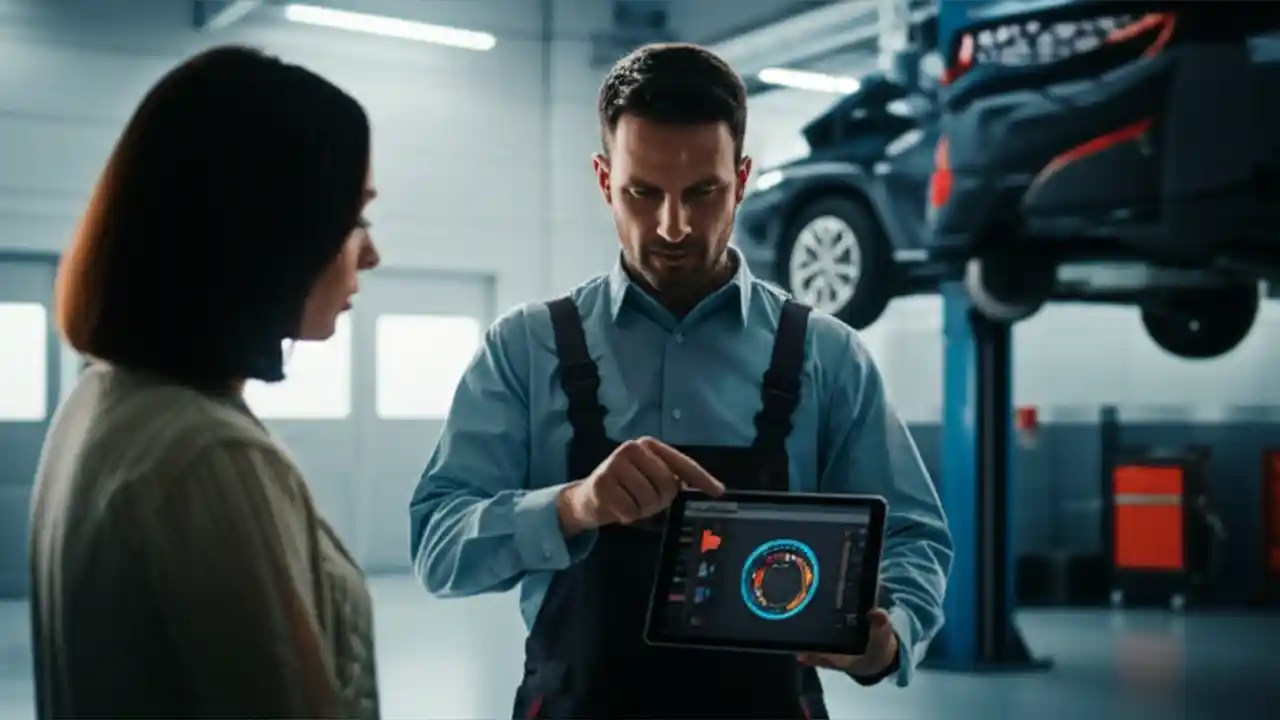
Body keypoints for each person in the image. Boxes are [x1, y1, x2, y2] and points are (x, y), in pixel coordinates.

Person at [409, 42, 952, 719]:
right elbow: (438, 543)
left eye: (703, 193)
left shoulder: (826, 356)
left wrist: (887, 640)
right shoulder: (525, 350)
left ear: (743, 178)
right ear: (605, 179)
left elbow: (913, 536)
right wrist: (573, 507)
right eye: (644, 193)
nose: (674, 226)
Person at [29, 45, 382, 720]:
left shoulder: (105, 402)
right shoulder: (209, 457)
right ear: (268, 225)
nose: (371, 251)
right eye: (354, 216)